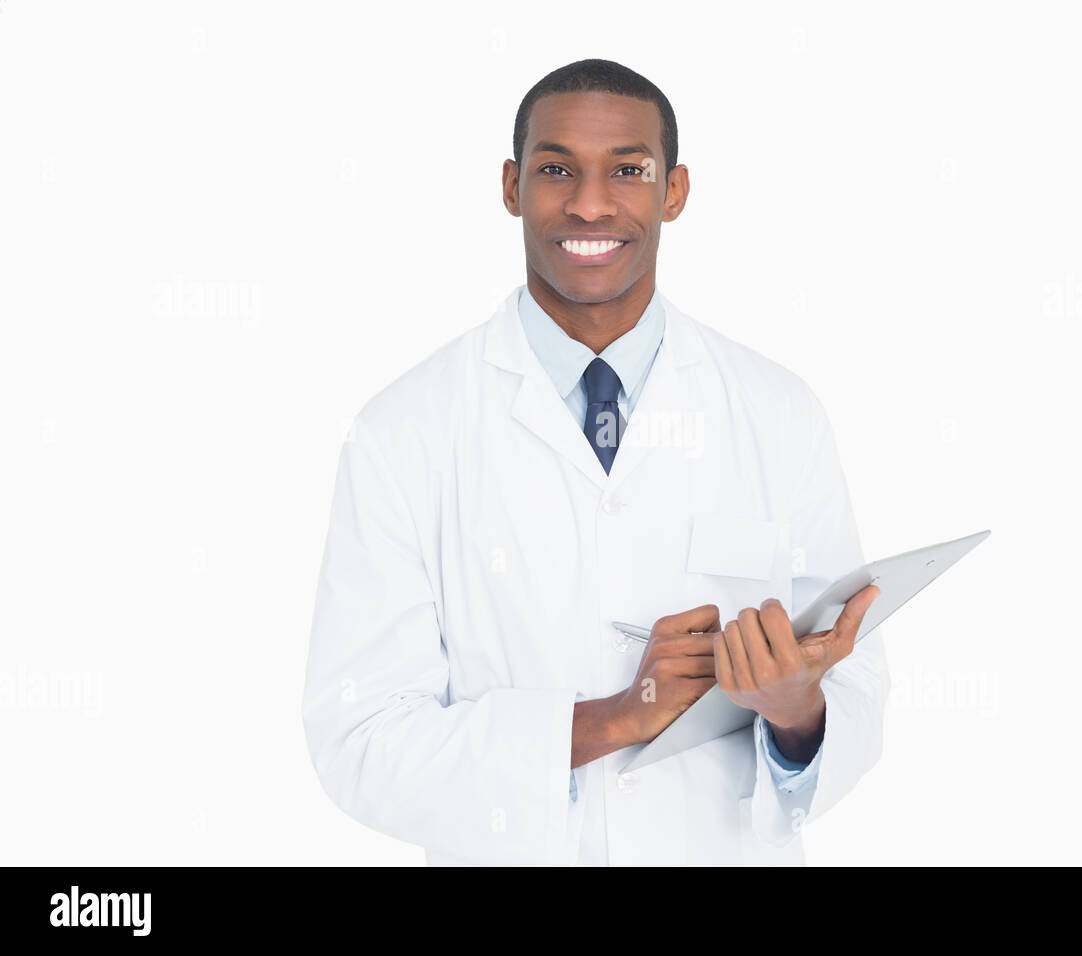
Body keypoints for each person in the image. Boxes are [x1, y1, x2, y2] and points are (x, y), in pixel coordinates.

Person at [301, 58, 888, 866]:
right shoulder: (403, 433)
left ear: (674, 192)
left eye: (628, 170)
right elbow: (358, 742)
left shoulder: (780, 414)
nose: (589, 203)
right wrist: (612, 718)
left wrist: (796, 714)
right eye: (555, 170)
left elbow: (858, 704)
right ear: (510, 186)